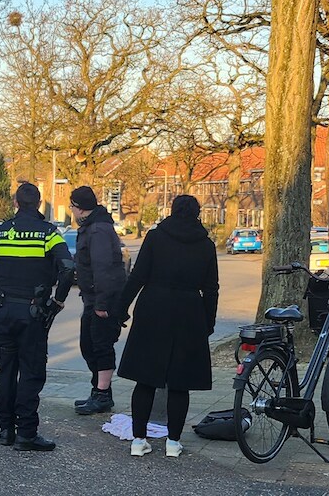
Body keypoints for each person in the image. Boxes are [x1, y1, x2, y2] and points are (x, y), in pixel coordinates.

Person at [116, 194, 218, 458]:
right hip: (189, 312)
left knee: (146, 379)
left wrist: (120, 308)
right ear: (197, 214)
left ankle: (138, 440)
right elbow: (211, 289)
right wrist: (208, 322)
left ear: (172, 211)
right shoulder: (206, 245)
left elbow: (138, 276)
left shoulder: (155, 237)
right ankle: (173, 442)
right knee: (180, 382)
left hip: (153, 308)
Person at [0, 182, 75, 452]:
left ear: (16, 203)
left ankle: (6, 430)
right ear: (39, 203)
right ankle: (26, 434)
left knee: (6, 371)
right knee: (31, 371)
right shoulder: (49, 234)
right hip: (33, 313)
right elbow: (68, 269)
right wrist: (57, 301)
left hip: (3, 311)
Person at [67, 185, 127, 416]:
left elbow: (103, 268)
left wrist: (102, 304)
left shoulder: (98, 230)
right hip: (93, 298)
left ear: (80, 208)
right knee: (88, 345)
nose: (72, 210)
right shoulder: (93, 227)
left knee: (100, 346)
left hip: (103, 300)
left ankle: (102, 395)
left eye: (72, 206)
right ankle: (99, 391)